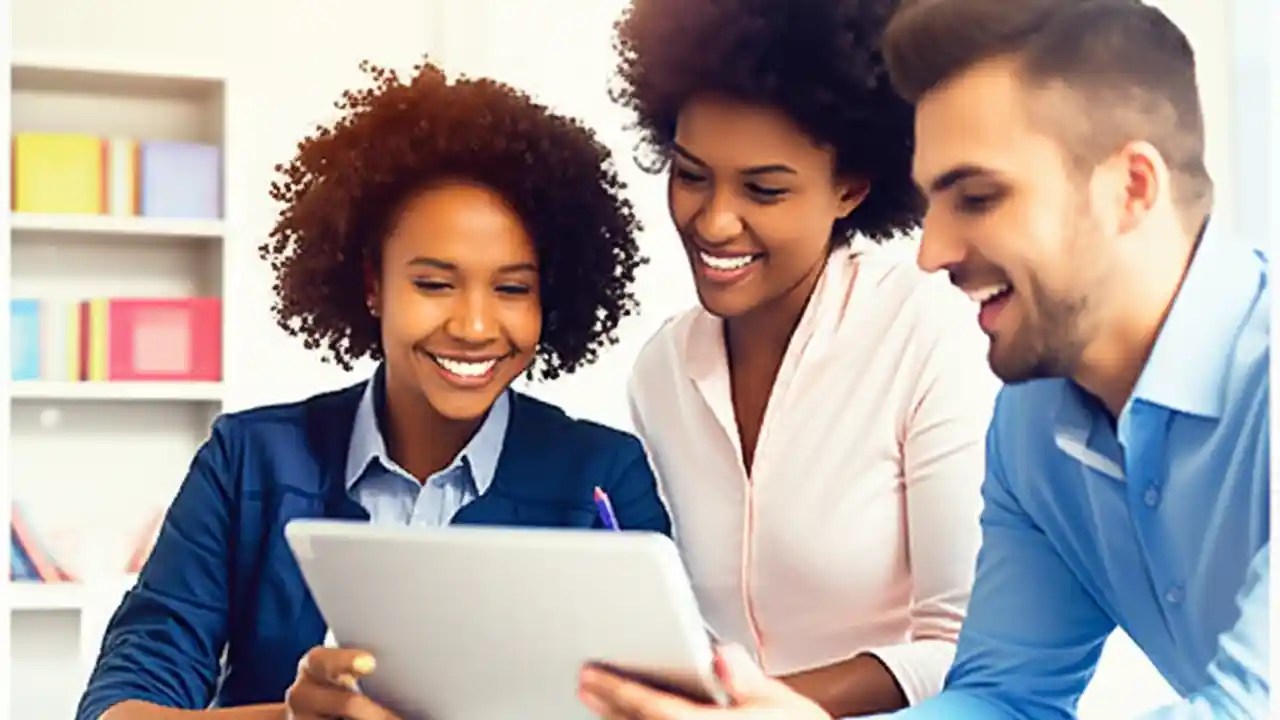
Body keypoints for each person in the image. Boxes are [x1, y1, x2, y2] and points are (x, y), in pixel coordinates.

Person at [577, 0, 1271, 718]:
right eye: (936, 199)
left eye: (977, 196)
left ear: (1130, 190)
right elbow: (1005, 698)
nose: (932, 252)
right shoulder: (1033, 424)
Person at [77, 58, 672, 720]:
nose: (474, 326)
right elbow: (122, 706)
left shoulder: (602, 477)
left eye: (512, 288)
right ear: (371, 284)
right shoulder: (248, 460)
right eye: (434, 284)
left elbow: (669, 701)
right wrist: (289, 718)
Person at [610, 0, 1000, 715]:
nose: (715, 220)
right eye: (692, 175)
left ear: (850, 189)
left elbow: (968, 647)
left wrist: (761, 707)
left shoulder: (927, 334)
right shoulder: (661, 370)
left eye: (764, 189)